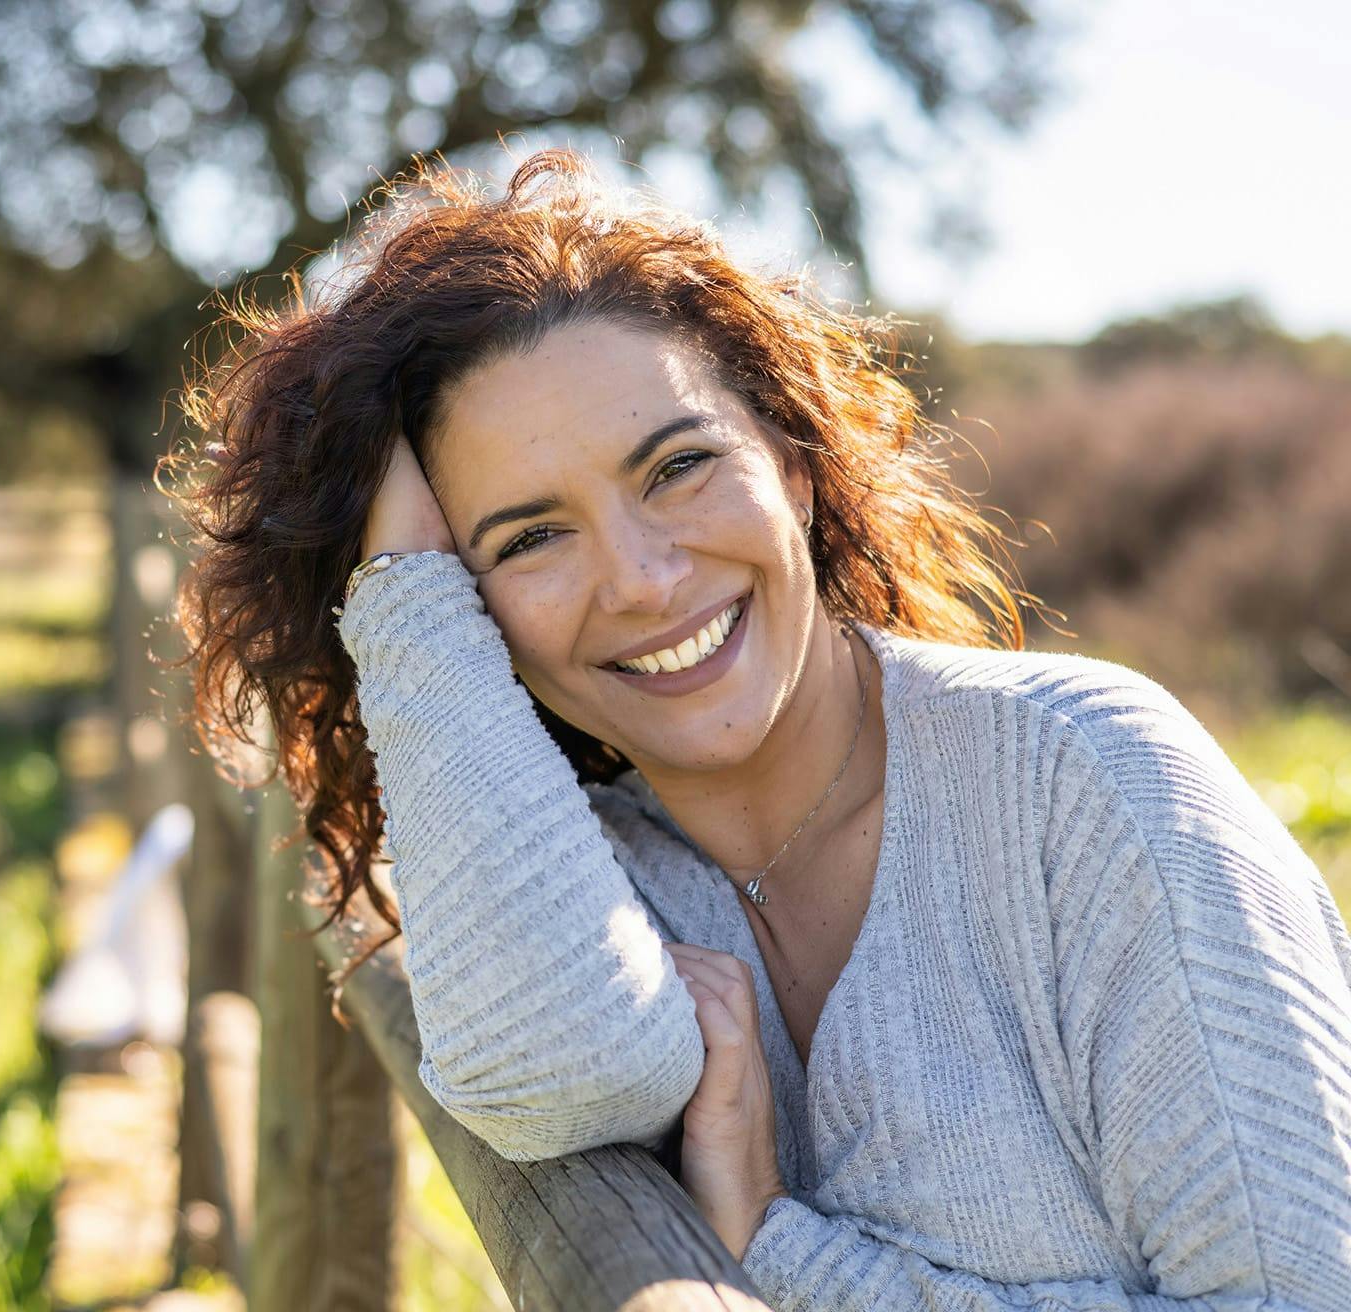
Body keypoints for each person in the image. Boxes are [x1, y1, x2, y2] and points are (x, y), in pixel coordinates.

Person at [159, 146, 1351, 1308]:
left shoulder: (1084, 780)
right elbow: (557, 1082)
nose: (639, 578)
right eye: (527, 538)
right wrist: (406, 596)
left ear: (794, 464)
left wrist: (782, 1256)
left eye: (677, 466)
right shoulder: (589, 885)